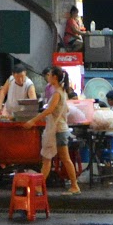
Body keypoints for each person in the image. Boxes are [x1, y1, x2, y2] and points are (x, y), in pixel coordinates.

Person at [31, 66, 79, 195]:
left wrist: (33, 120)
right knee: (47, 158)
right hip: (58, 128)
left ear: (55, 78)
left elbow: (49, 110)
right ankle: (39, 187)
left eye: (50, 75)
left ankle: (75, 186)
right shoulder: (61, 91)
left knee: (63, 158)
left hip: (59, 130)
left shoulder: (57, 93)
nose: (48, 77)